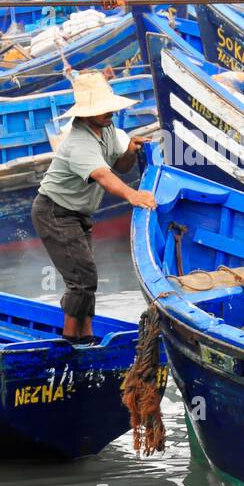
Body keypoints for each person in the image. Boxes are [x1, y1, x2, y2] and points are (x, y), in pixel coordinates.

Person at [31, 72, 156, 344]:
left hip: (78, 214)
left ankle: (86, 336)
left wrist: (129, 151)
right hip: (54, 212)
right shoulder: (79, 141)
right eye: (102, 109)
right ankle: (71, 342)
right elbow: (103, 176)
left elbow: (118, 167)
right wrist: (132, 195)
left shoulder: (108, 130)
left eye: (109, 107)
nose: (109, 112)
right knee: (83, 278)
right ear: (87, 114)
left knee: (85, 276)